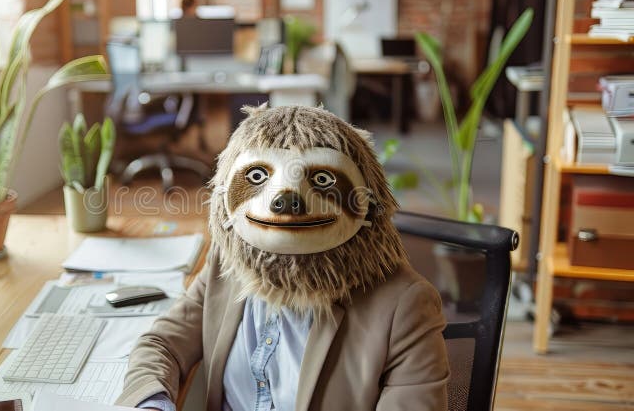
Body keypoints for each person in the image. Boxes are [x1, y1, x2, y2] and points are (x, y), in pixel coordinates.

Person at [115, 105, 450, 411]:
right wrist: (152, 403)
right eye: (257, 177)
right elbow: (162, 343)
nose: (285, 200)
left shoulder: (405, 305)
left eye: (322, 179)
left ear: (367, 202)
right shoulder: (227, 263)